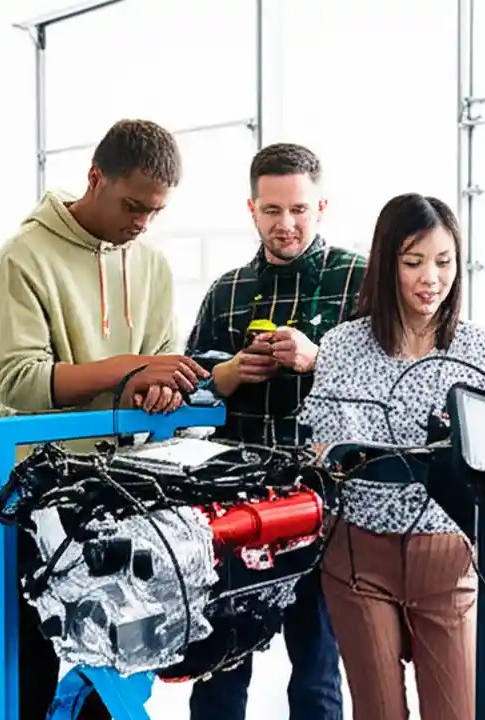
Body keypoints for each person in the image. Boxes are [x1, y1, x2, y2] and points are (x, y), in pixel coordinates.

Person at [0, 118, 208, 719]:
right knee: (30, 659)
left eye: (155, 212)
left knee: (127, 654)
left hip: (130, 491)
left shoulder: (153, 265)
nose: (141, 222)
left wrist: (156, 390)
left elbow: (154, 371)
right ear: (95, 178)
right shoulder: (21, 259)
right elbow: (17, 384)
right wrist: (131, 367)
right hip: (41, 493)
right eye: (133, 204)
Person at [299, 193, 485, 720]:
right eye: (413, 262)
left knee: (457, 711)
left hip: (447, 554)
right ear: (387, 262)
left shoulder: (479, 350)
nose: (430, 279)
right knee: (379, 712)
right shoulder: (344, 344)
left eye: (444, 262)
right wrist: (324, 454)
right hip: (357, 554)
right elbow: (319, 440)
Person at [184, 142, 364, 720]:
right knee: (217, 665)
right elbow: (190, 384)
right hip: (235, 505)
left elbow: (394, 381)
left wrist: (321, 360)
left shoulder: (359, 280)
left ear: (322, 206)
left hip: (325, 503)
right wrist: (228, 374)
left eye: (299, 210)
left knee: (316, 670)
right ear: (251, 208)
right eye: (272, 211)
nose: (286, 224)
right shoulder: (228, 289)